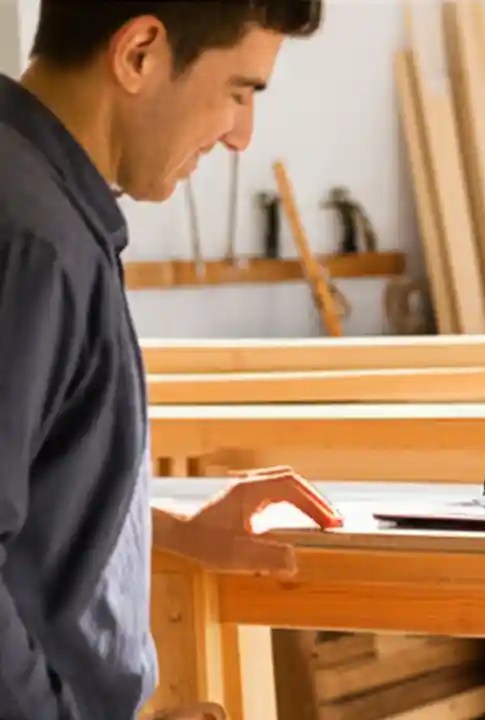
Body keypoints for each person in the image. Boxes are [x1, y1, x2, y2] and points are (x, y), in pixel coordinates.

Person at [0, 2, 345, 718]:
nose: (242, 135)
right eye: (239, 91)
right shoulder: (35, 242)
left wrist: (166, 526)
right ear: (139, 54)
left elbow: (29, 489)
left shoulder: (46, 205)